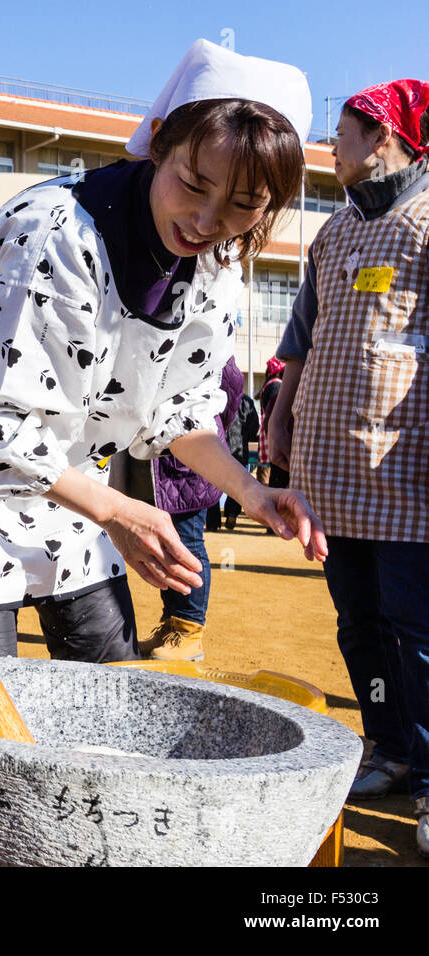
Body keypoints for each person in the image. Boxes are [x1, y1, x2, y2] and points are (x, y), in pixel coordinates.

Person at [0, 39, 326, 663]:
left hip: (67, 484)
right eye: (193, 185)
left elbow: (183, 414)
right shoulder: (58, 234)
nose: (205, 221)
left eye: (244, 206)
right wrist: (118, 511)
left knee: (108, 683)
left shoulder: (216, 269)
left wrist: (253, 493)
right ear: (160, 140)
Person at [267, 79, 429, 857]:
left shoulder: (427, 225)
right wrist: (277, 416)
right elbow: (299, 337)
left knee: (418, 630)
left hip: (411, 463)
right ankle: (390, 748)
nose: (331, 148)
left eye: (342, 134)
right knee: (359, 622)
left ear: (386, 137)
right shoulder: (332, 235)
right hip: (331, 462)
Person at [141, 358, 243, 661]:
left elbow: (232, 387)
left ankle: (189, 629)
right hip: (163, 465)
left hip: (189, 463)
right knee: (167, 545)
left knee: (188, 542)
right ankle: (173, 623)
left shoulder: (209, 338)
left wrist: (206, 427)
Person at [220, 366, 259, 531]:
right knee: (237, 483)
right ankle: (232, 513)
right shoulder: (247, 401)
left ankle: (213, 519)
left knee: (213, 482)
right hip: (239, 449)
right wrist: (246, 439)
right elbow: (254, 425)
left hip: (219, 446)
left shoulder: (219, 398)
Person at [257, 356, 289, 493]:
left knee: (268, 474)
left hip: (268, 433)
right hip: (275, 434)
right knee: (274, 478)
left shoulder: (268, 385)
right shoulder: (276, 385)